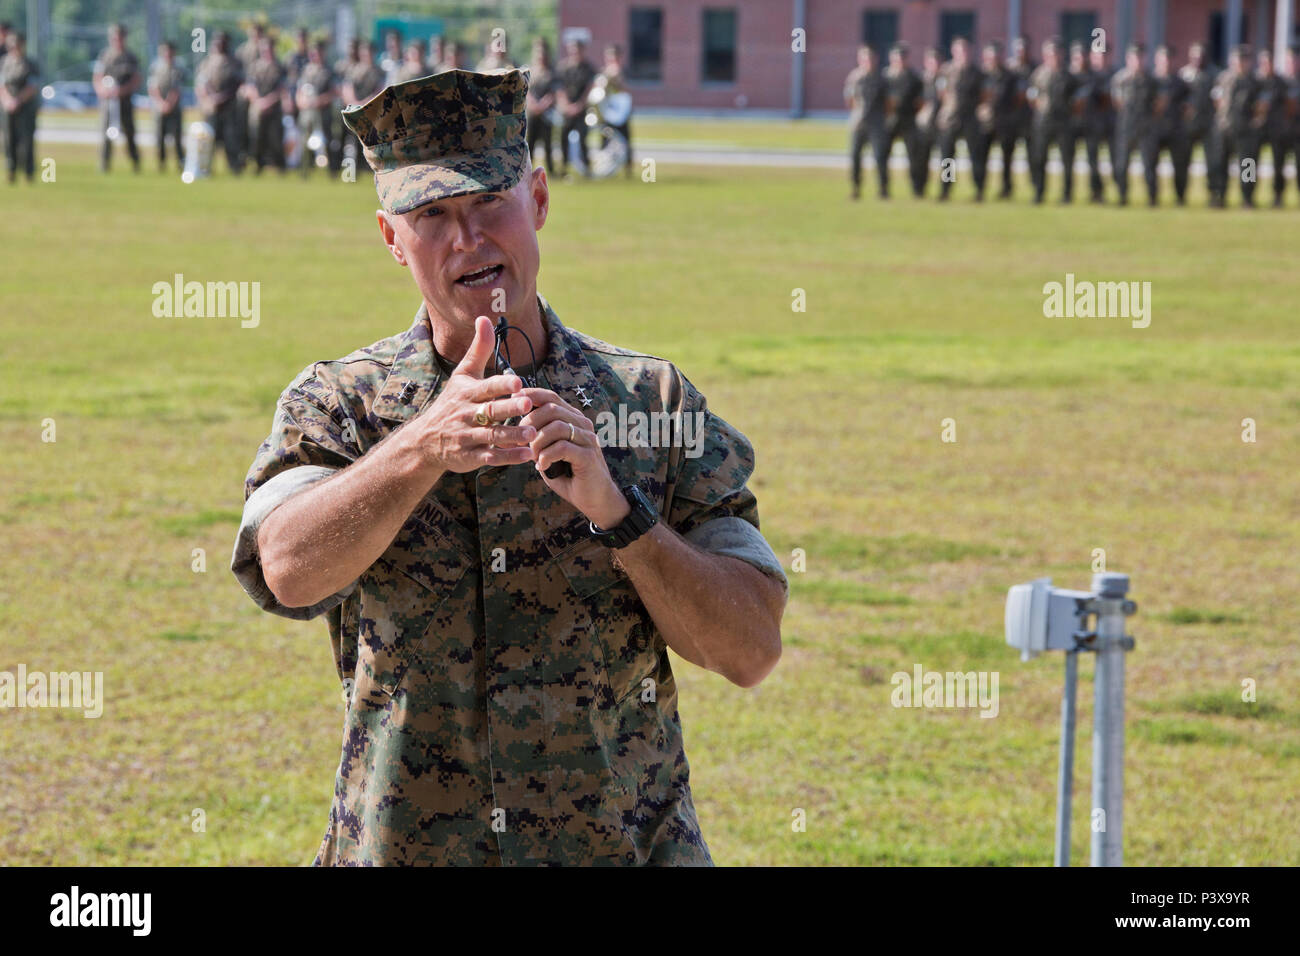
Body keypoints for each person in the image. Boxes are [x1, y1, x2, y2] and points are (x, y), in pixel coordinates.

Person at [231, 68, 787, 866]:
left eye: (491, 201)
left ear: (540, 200)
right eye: (432, 215)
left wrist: (621, 515)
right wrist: (422, 446)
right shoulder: (341, 406)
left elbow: (751, 648)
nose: (469, 239)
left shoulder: (650, 399)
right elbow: (284, 569)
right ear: (392, 240)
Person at [1208, 45, 1260, 208]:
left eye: (1243, 60)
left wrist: (1255, 122)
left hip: (1246, 130)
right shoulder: (1224, 78)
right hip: (1225, 128)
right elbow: (1216, 99)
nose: (1239, 63)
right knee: (1219, 164)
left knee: (1248, 165)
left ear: (1249, 62)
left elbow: (1261, 105)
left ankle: (1247, 198)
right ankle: (1219, 197)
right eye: (1237, 59)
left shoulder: (1254, 81)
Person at [935, 37, 985, 201]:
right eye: (959, 50)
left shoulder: (977, 73)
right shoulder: (946, 70)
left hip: (970, 117)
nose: (962, 54)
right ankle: (946, 189)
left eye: (965, 50)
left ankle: (978, 190)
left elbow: (984, 95)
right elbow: (941, 93)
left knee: (975, 156)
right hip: (950, 119)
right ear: (953, 52)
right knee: (948, 157)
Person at [1028, 37, 1077, 204]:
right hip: (1043, 121)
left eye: (1056, 53)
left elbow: (1076, 100)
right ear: (1044, 55)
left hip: (1064, 121)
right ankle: (1039, 192)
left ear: (1061, 55)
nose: (1053, 57)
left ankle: (1067, 194)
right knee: (1040, 158)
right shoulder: (1038, 74)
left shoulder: (1069, 75)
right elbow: (1032, 97)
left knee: (1067, 159)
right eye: (1050, 53)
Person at [1142, 44, 1190, 206]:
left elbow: (1188, 103)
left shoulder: (1180, 82)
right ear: (1157, 60)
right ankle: (1152, 197)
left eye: (1169, 58)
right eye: (1163, 59)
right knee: (1150, 165)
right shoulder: (1149, 81)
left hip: (1175, 129)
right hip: (1153, 129)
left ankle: (1180, 197)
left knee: (1180, 164)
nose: (1166, 62)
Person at [93, 23, 142, 173]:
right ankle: (104, 165)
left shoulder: (130, 57)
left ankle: (135, 164)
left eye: (120, 37)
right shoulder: (104, 56)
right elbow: (97, 77)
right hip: (108, 102)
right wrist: (102, 90)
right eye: (114, 37)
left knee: (129, 133)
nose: (117, 40)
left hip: (125, 101)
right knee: (105, 134)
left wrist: (122, 91)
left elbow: (136, 79)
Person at [195, 30, 244, 174]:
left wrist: (222, 97)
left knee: (230, 139)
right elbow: (201, 83)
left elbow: (238, 83)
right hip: (211, 108)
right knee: (209, 139)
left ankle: (234, 168)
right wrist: (210, 98)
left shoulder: (234, 63)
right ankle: (206, 168)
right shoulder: (207, 62)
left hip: (229, 107)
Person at [1109, 43, 1151, 206]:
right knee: (1121, 165)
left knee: (1148, 165)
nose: (1138, 61)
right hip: (1125, 127)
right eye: (1134, 58)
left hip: (1145, 128)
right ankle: (1122, 196)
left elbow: (1157, 105)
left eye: (1140, 57)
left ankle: (1151, 198)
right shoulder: (1120, 79)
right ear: (1128, 59)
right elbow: (1116, 102)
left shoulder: (1149, 79)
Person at [843, 45, 886, 200]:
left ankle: (883, 189)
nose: (867, 62)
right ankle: (855, 188)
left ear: (876, 60)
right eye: (864, 59)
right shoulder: (854, 77)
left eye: (870, 59)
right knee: (855, 156)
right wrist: (857, 114)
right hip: (858, 123)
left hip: (876, 123)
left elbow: (889, 102)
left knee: (880, 156)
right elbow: (849, 99)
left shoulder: (882, 78)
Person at [883, 42, 923, 198]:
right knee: (883, 156)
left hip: (908, 120)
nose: (899, 60)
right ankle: (884, 189)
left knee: (914, 157)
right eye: (896, 57)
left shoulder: (914, 78)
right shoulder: (885, 77)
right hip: (890, 121)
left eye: (902, 57)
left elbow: (920, 101)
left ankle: (917, 189)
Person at [976, 40, 1014, 203]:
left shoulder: (1008, 76)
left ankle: (1006, 189)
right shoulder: (979, 75)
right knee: (981, 157)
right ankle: (980, 189)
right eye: (990, 55)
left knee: (1006, 157)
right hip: (984, 123)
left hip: (1003, 122)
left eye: (996, 55)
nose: (993, 59)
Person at [1178, 42, 1216, 199]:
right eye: (1194, 56)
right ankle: (1181, 195)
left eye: (1200, 56)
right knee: (1182, 161)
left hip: (1208, 125)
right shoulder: (1183, 74)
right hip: (1187, 126)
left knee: (1213, 162)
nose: (1198, 59)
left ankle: (1214, 194)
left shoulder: (1213, 74)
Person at [243, 35, 286, 174]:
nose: (266, 52)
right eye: (263, 49)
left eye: (268, 49)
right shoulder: (254, 67)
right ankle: (258, 164)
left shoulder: (280, 67)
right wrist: (259, 102)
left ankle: (279, 166)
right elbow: (249, 86)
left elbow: (282, 88)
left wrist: (268, 102)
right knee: (257, 137)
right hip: (257, 107)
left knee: (275, 138)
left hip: (274, 108)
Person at [295, 38, 337, 176]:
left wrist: (319, 101)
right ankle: (304, 170)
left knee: (327, 140)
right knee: (304, 141)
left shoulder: (329, 71)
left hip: (323, 112)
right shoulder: (306, 70)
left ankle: (332, 170)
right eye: (313, 53)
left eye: (317, 52)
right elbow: (300, 90)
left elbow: (334, 92)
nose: (315, 55)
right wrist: (301, 101)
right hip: (307, 112)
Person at [1, 30, 39, 183]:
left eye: (16, 46)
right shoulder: (4, 62)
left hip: (26, 106)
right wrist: (7, 101)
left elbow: (33, 86)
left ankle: (29, 172)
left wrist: (18, 100)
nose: (14, 49)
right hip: (7, 106)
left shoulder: (30, 63)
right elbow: (2, 85)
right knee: (9, 139)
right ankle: (11, 170)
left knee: (27, 140)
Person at [1001, 35, 1036, 198]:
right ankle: (1006, 187)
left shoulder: (1035, 69)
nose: (1021, 52)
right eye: (1018, 49)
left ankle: (1036, 188)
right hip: (1010, 118)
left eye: (1023, 49)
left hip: (1028, 118)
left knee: (1033, 155)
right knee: (1007, 155)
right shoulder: (1008, 70)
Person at [342, 41, 385, 174]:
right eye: (364, 53)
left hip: (371, 111)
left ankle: (369, 168)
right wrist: (355, 103)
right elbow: (346, 88)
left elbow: (379, 90)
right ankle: (352, 170)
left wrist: (364, 104)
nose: (367, 56)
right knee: (352, 142)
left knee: (371, 142)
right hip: (355, 111)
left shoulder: (379, 71)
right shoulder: (353, 69)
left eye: (369, 53)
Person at [556, 37, 596, 178]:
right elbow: (559, 88)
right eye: (572, 49)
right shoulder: (563, 68)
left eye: (577, 49)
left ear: (582, 50)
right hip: (567, 110)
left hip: (581, 110)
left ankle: (586, 167)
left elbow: (590, 88)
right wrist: (566, 105)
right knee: (563, 138)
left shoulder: (588, 68)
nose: (575, 52)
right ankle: (564, 167)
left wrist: (579, 105)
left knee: (583, 138)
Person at [1255, 49, 1289, 207]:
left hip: (1276, 128)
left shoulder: (1281, 82)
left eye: (1268, 62)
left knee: (1278, 163)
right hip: (1256, 129)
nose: (1266, 66)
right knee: (1249, 162)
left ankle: (1278, 196)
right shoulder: (1254, 81)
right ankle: (1247, 195)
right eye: (1263, 62)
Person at [1081, 44, 1115, 203]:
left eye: (1102, 55)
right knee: (1093, 161)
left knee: (1117, 161)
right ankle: (1096, 192)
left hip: (1111, 124)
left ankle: (1120, 192)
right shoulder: (1086, 77)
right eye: (1096, 56)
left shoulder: (1115, 76)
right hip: (1092, 125)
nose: (1100, 59)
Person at [595, 44, 633, 177]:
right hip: (607, 111)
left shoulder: (624, 72)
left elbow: (626, 91)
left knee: (625, 139)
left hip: (621, 111)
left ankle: (628, 170)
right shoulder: (603, 73)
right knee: (605, 138)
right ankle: (604, 168)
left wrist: (616, 80)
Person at [148, 41, 185, 172]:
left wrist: (169, 103)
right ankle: (161, 164)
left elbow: (177, 89)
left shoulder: (178, 68)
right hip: (159, 108)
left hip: (174, 108)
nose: (168, 54)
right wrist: (161, 103)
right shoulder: (156, 67)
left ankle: (181, 164)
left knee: (177, 138)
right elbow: (153, 87)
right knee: (159, 137)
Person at [912, 46, 942, 196]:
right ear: (926, 63)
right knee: (921, 158)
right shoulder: (921, 81)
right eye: (931, 62)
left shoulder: (946, 79)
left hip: (942, 125)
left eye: (937, 61)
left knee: (947, 159)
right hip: (924, 126)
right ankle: (919, 188)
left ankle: (946, 189)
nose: (934, 65)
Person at [525, 37, 557, 175]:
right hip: (533, 113)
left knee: (548, 143)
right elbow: (526, 91)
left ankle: (551, 170)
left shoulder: (552, 72)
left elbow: (554, 92)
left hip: (547, 114)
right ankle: (527, 171)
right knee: (530, 143)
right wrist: (533, 105)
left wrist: (543, 105)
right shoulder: (530, 71)